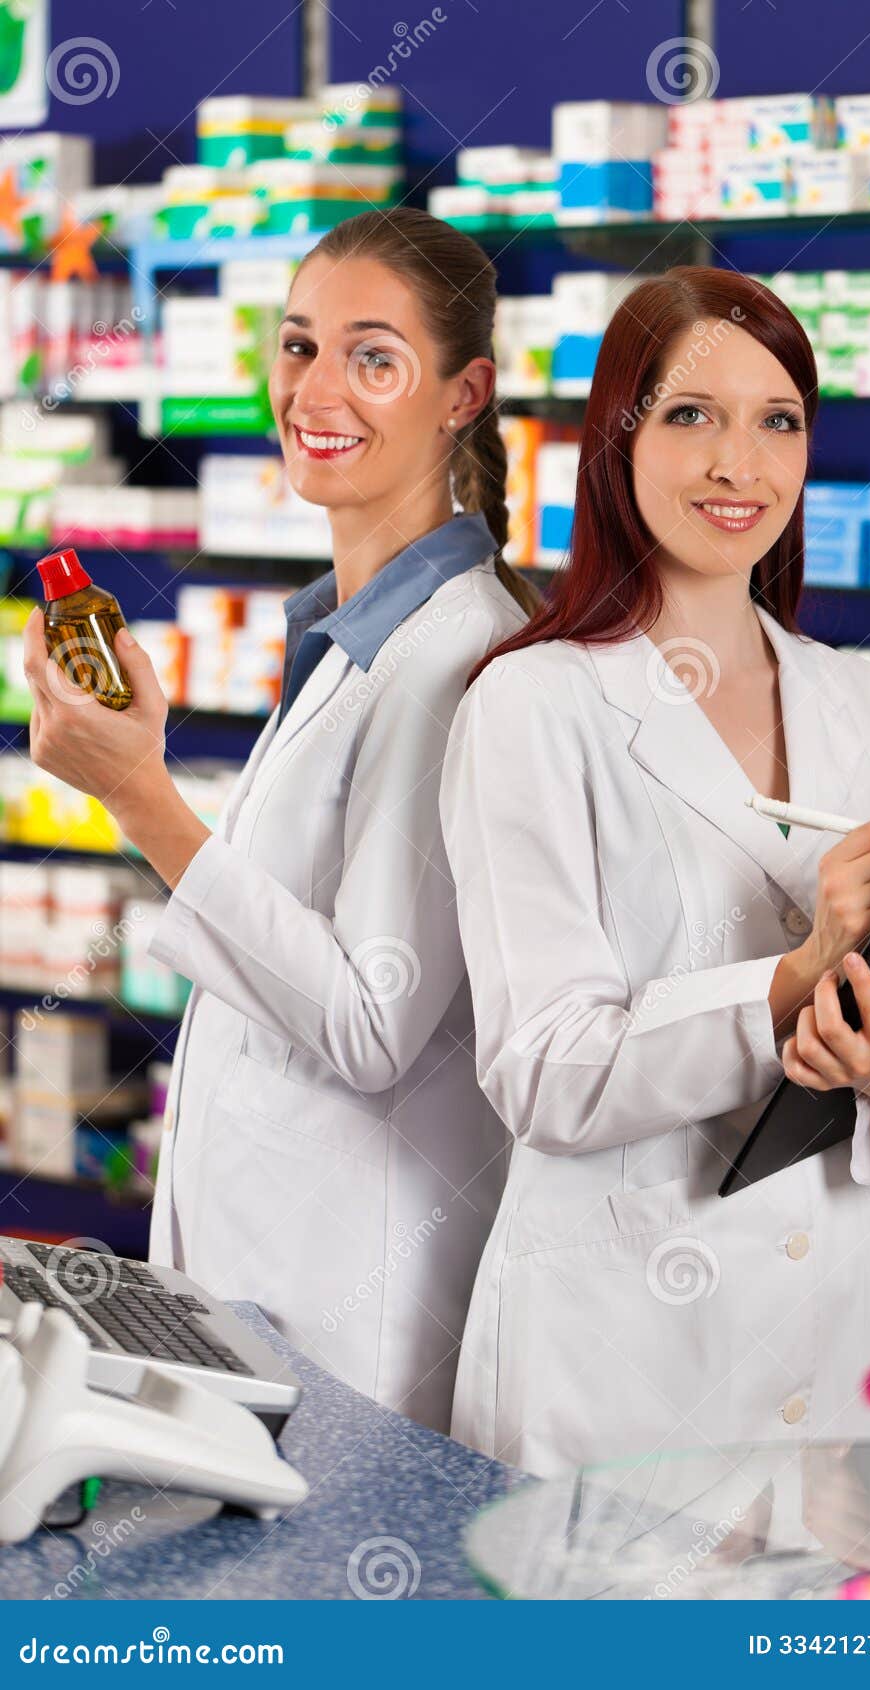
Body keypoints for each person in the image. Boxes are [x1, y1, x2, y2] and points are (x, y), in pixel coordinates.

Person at [439, 266, 870, 1476]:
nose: (735, 464)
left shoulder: (868, 707)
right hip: (623, 1357)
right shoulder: (532, 705)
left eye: (776, 421)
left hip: (846, 1352)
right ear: (617, 437)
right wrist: (789, 981)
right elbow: (541, 1071)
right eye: (690, 414)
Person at [22, 207, 538, 1434]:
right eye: (298, 345)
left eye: (373, 357)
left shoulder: (458, 659)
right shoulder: (347, 637)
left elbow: (371, 1019)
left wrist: (142, 796)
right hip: (257, 1305)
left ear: (462, 393)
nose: (316, 389)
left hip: (351, 1318)